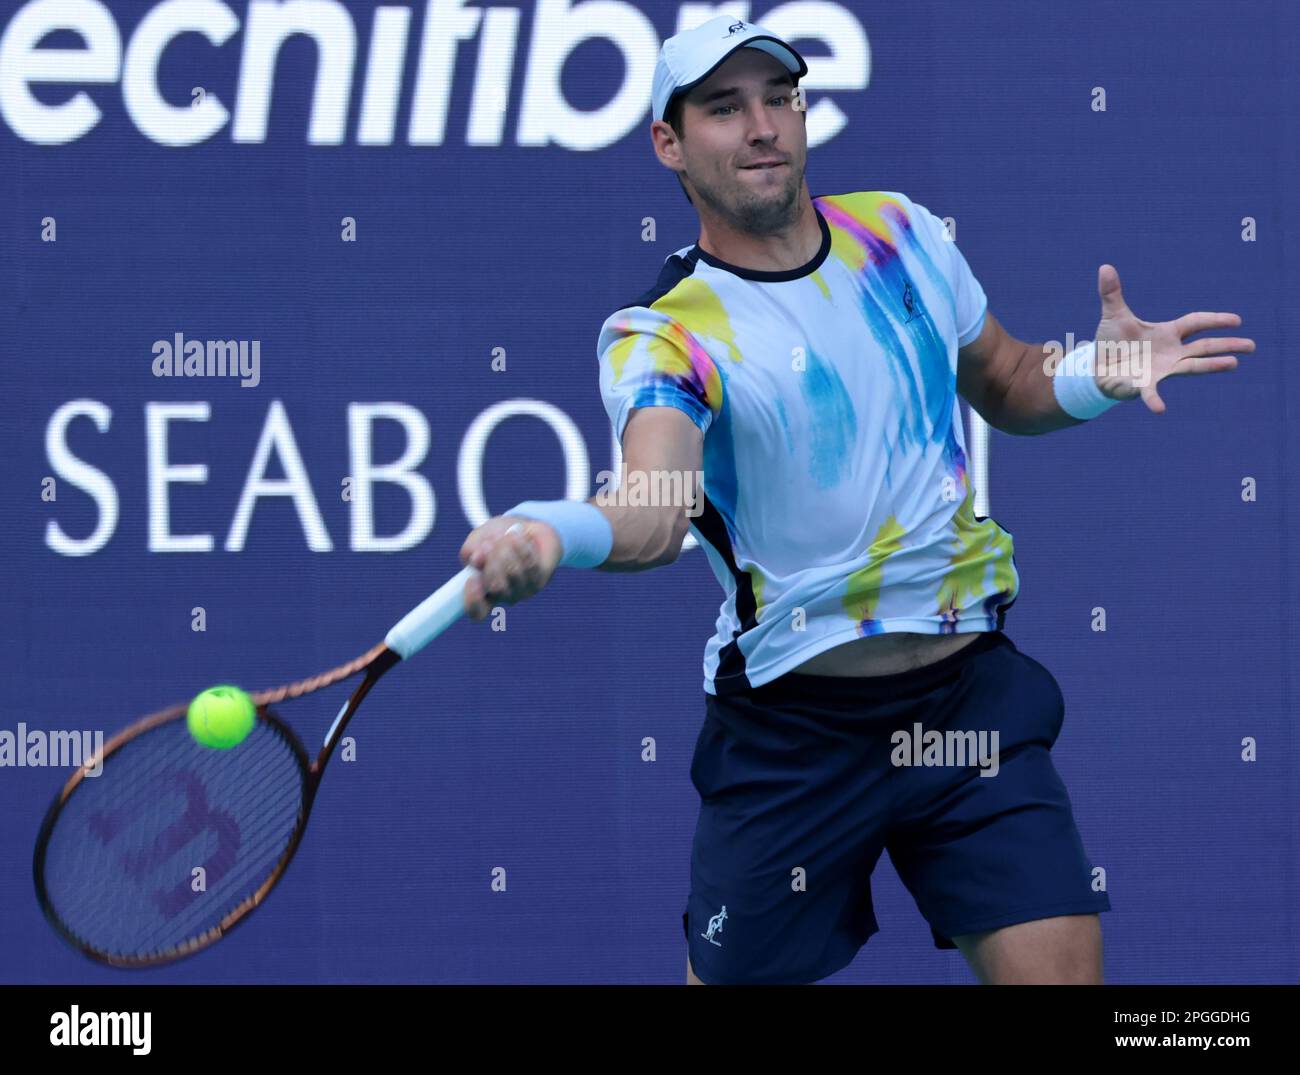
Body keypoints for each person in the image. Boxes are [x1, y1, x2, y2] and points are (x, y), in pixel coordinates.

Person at [457, 15, 1253, 985]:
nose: (762, 126)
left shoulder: (898, 233)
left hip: (965, 708)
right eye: (722, 107)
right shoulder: (662, 334)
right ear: (668, 142)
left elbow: (1004, 377)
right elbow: (656, 505)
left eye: (778, 99)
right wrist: (553, 535)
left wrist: (1094, 371)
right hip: (793, 738)